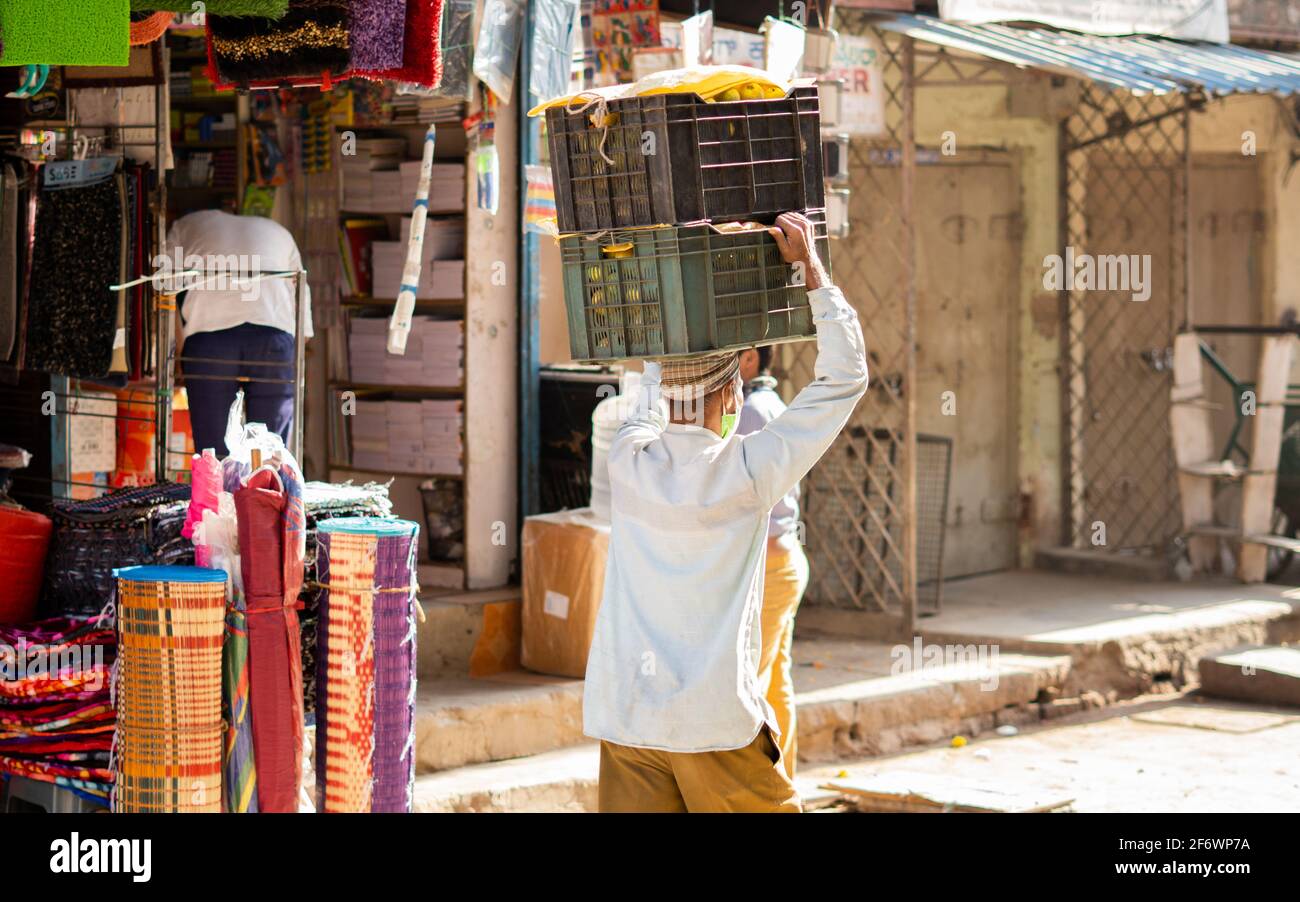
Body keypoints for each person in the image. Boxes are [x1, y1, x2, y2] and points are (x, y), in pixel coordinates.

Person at [584, 212, 867, 812]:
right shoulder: (748, 472)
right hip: (712, 725)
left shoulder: (628, 460)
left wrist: (662, 272)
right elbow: (844, 379)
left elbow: (647, 386)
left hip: (626, 718)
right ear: (732, 395)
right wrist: (812, 271)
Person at [164, 210, 312, 456]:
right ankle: (267, 490)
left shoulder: (184, 224)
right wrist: (291, 358)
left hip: (209, 338)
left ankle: (218, 491)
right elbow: (302, 307)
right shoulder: (279, 231)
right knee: (269, 452)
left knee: (214, 452)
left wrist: (180, 351)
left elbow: (164, 294)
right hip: (274, 339)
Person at [736, 342, 808, 780]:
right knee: (775, 683)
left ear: (749, 358)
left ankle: (760, 794)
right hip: (785, 563)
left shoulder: (749, 411)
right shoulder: (772, 404)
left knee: (749, 691)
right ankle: (785, 787)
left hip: (771, 568)